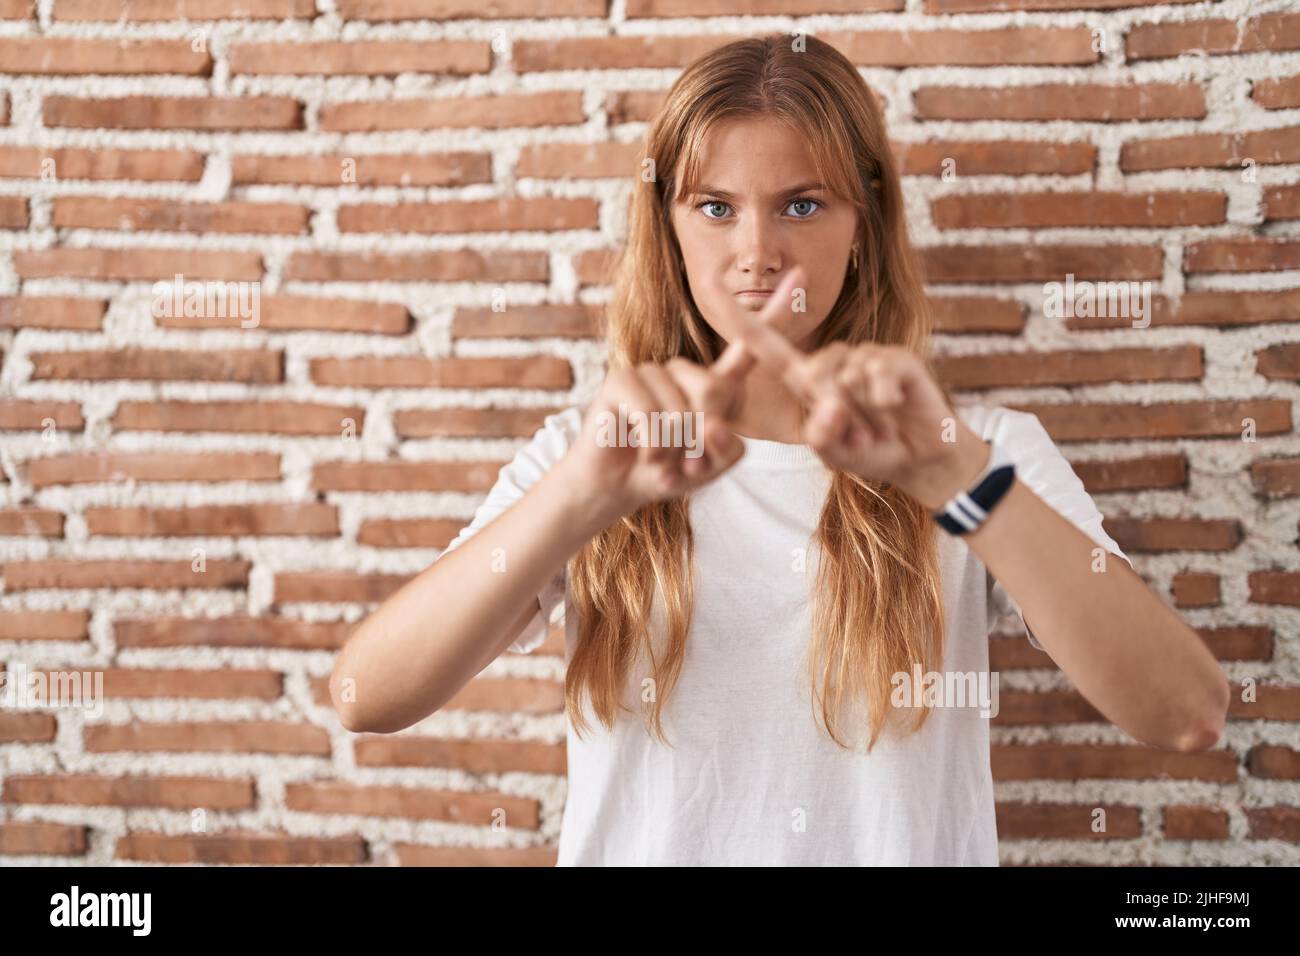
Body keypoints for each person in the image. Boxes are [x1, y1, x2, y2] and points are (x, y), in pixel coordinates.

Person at [330, 34, 1229, 866]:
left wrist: (956, 477)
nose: (756, 254)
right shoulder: (587, 452)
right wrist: (578, 499)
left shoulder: (982, 451)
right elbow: (365, 697)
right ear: (670, 230)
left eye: (802, 204)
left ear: (864, 222)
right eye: (716, 208)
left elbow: (1185, 714)